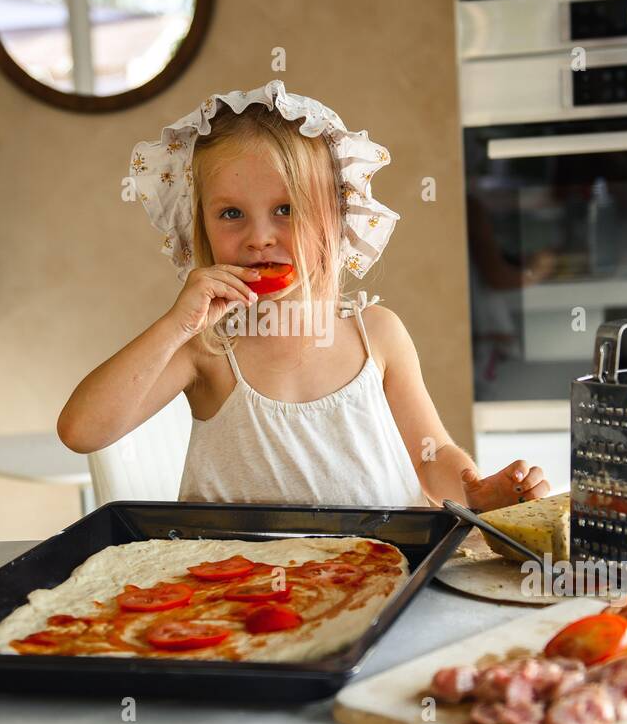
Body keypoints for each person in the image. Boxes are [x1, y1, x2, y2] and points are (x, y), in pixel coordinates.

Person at [57, 80, 548, 512]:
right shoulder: (204, 348)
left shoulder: (376, 333)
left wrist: (476, 491)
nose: (259, 237)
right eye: (231, 214)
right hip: (240, 595)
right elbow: (82, 432)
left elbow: (431, 456)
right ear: (199, 224)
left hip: (379, 574)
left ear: (335, 217)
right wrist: (176, 325)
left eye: (285, 209)